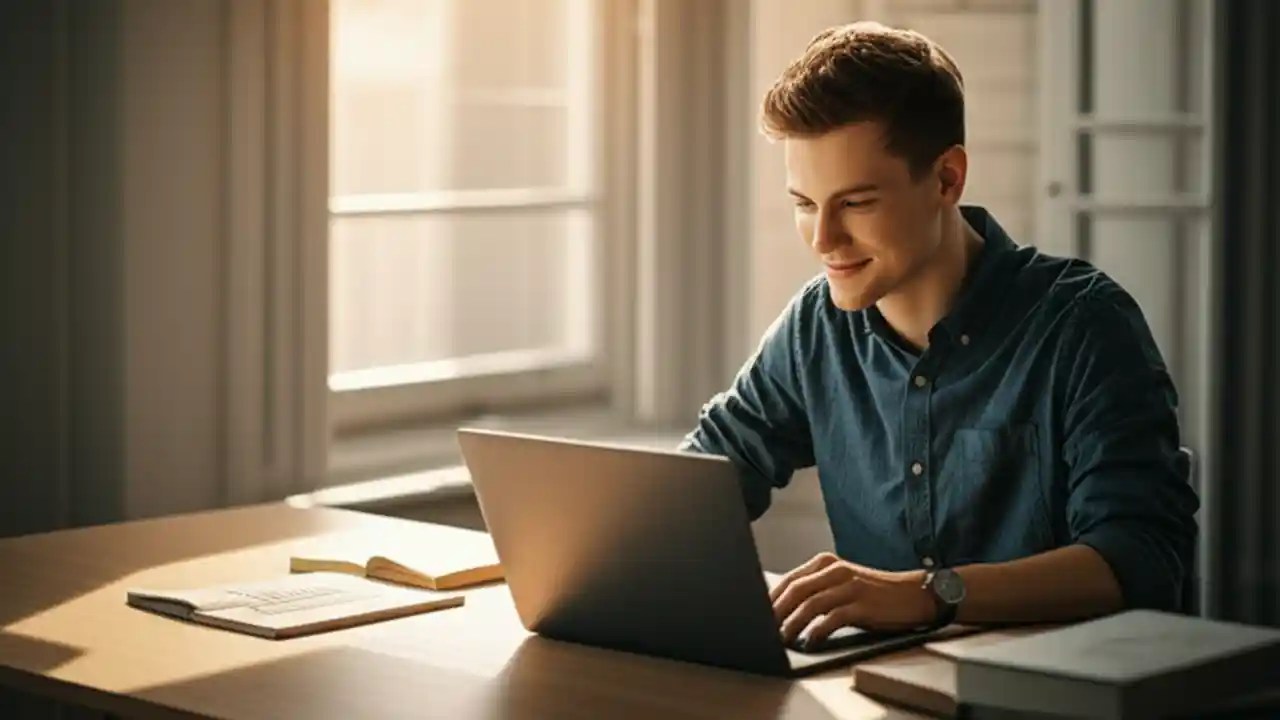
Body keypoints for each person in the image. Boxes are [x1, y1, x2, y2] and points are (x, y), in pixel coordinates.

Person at [678, 21, 1199, 650]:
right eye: (805, 203)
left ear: (948, 179)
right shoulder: (816, 326)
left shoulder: (1085, 326)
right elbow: (706, 478)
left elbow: (1142, 561)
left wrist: (925, 595)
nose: (823, 240)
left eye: (857, 203)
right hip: (882, 695)